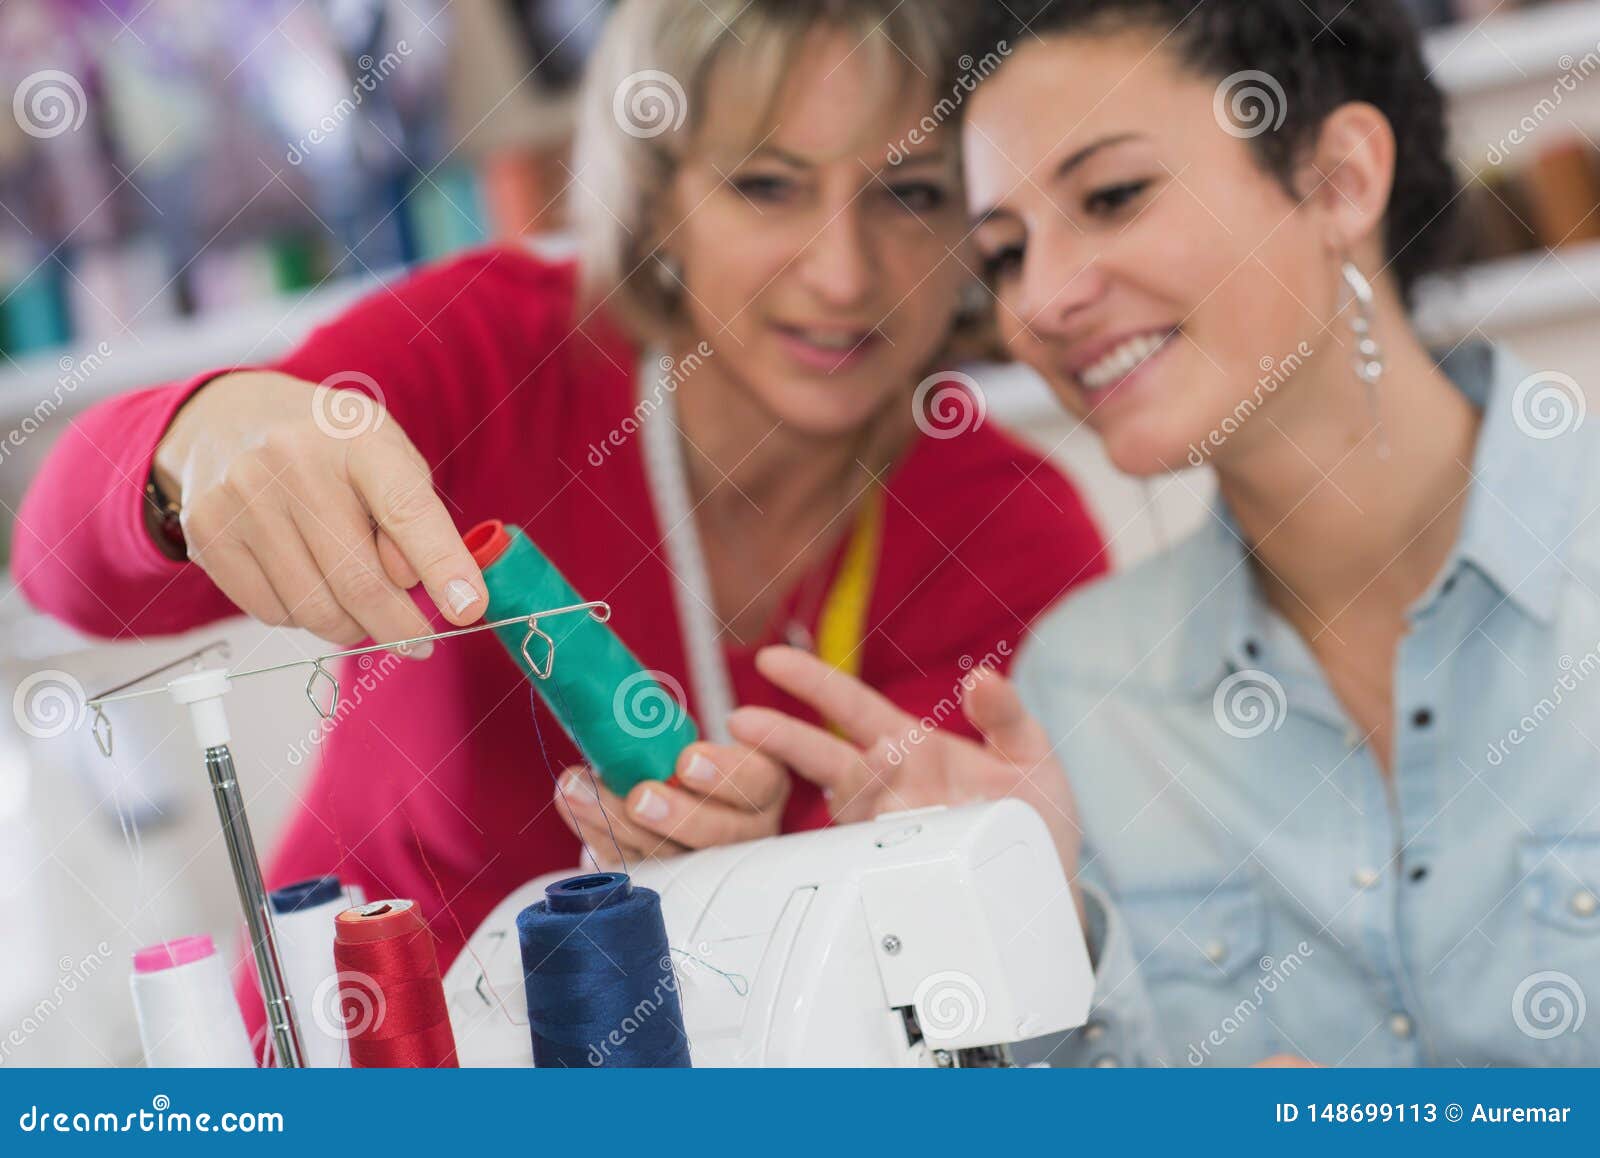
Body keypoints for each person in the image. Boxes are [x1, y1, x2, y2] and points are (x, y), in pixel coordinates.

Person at [11, 0, 1106, 1049]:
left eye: (908, 195)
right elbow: (69, 574)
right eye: (764, 185)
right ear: (658, 196)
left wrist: (781, 870)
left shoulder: (1013, 531)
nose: (841, 271)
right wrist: (188, 444)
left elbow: (931, 968)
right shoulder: (486, 355)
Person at [732, 0, 1600, 1066]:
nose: (1041, 301)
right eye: (1002, 254)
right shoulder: (1079, 695)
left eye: (1113, 195)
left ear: (1339, 179)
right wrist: (1010, 939)